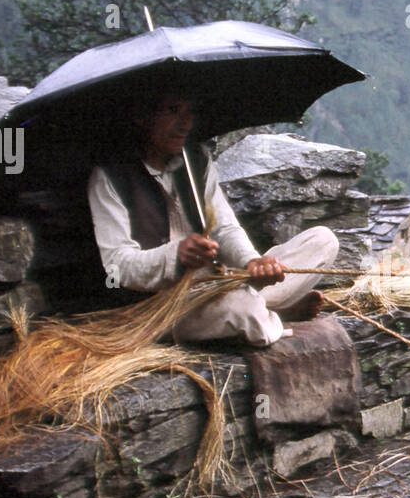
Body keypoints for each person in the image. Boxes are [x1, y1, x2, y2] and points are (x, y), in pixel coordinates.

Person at [86, 91, 339, 346]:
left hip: (214, 284)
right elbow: (117, 266)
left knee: (323, 241)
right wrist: (175, 256)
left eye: (189, 112)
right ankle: (276, 311)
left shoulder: (195, 161)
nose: (185, 124)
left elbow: (224, 228)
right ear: (142, 116)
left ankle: (260, 305)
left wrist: (252, 261)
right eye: (173, 110)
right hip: (162, 308)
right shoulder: (110, 178)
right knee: (243, 310)